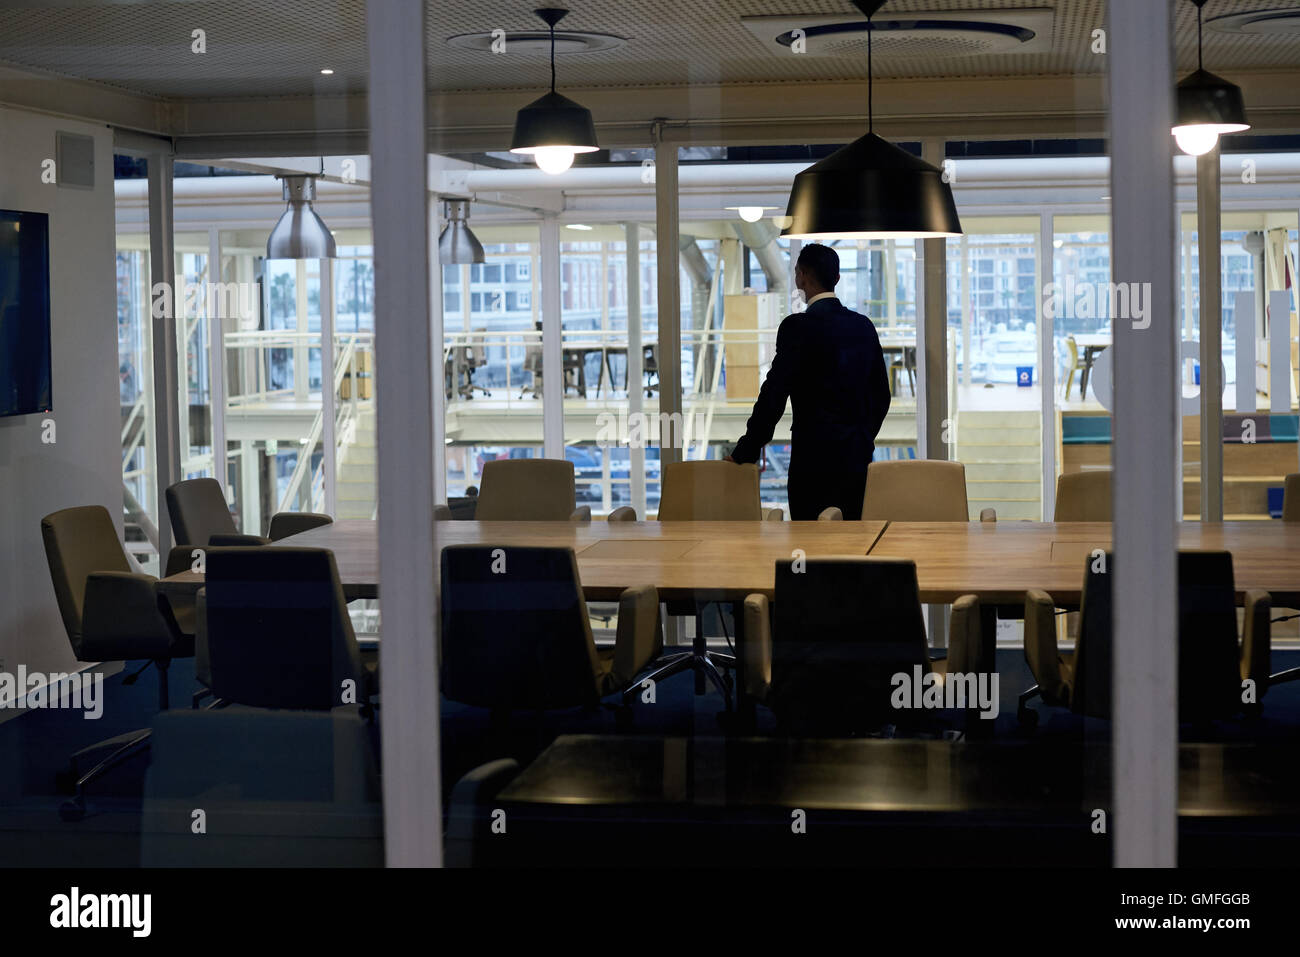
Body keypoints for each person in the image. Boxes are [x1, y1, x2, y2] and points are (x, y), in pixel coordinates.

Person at [726, 243, 891, 520]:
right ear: (836, 278)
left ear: (801, 276)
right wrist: (861, 439)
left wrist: (746, 450)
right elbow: (881, 396)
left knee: (810, 546)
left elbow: (773, 396)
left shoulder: (796, 328)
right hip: (855, 464)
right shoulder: (863, 326)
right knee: (853, 546)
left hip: (811, 464)